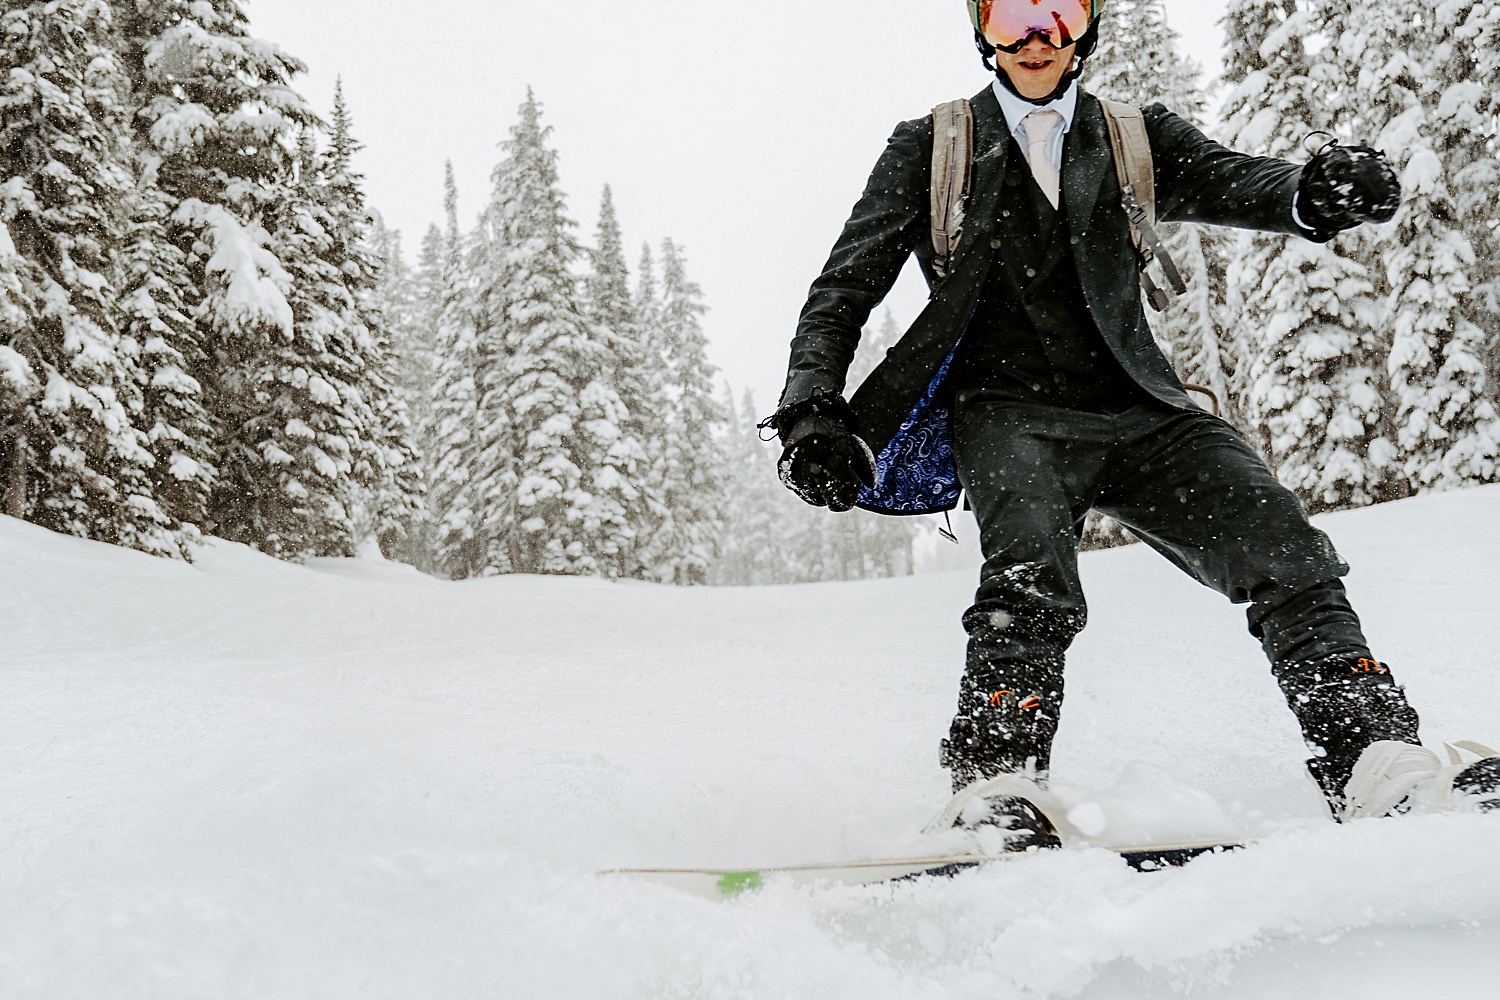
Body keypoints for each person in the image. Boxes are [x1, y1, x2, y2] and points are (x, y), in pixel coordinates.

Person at [767, 0, 1498, 848]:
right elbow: (844, 287)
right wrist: (812, 408)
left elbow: (1239, 181)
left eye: (1057, 12)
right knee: (1028, 576)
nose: (1035, 36)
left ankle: (1371, 759)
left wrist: (1311, 194)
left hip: (1140, 408)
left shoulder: (1130, 137)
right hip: (1010, 414)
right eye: (1011, 15)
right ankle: (995, 786)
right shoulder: (933, 146)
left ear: (1086, 26)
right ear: (982, 29)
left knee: (1284, 546)